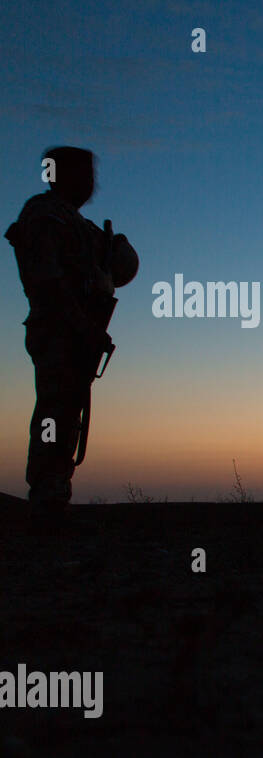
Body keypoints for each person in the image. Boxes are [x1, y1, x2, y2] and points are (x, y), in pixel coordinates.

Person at [5, 146, 137, 524]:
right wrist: (83, 327)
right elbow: (48, 284)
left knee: (66, 412)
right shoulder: (45, 215)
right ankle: (46, 493)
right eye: (82, 173)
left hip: (76, 331)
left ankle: (54, 491)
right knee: (54, 411)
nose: (90, 182)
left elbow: (119, 266)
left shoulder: (74, 222)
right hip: (57, 329)